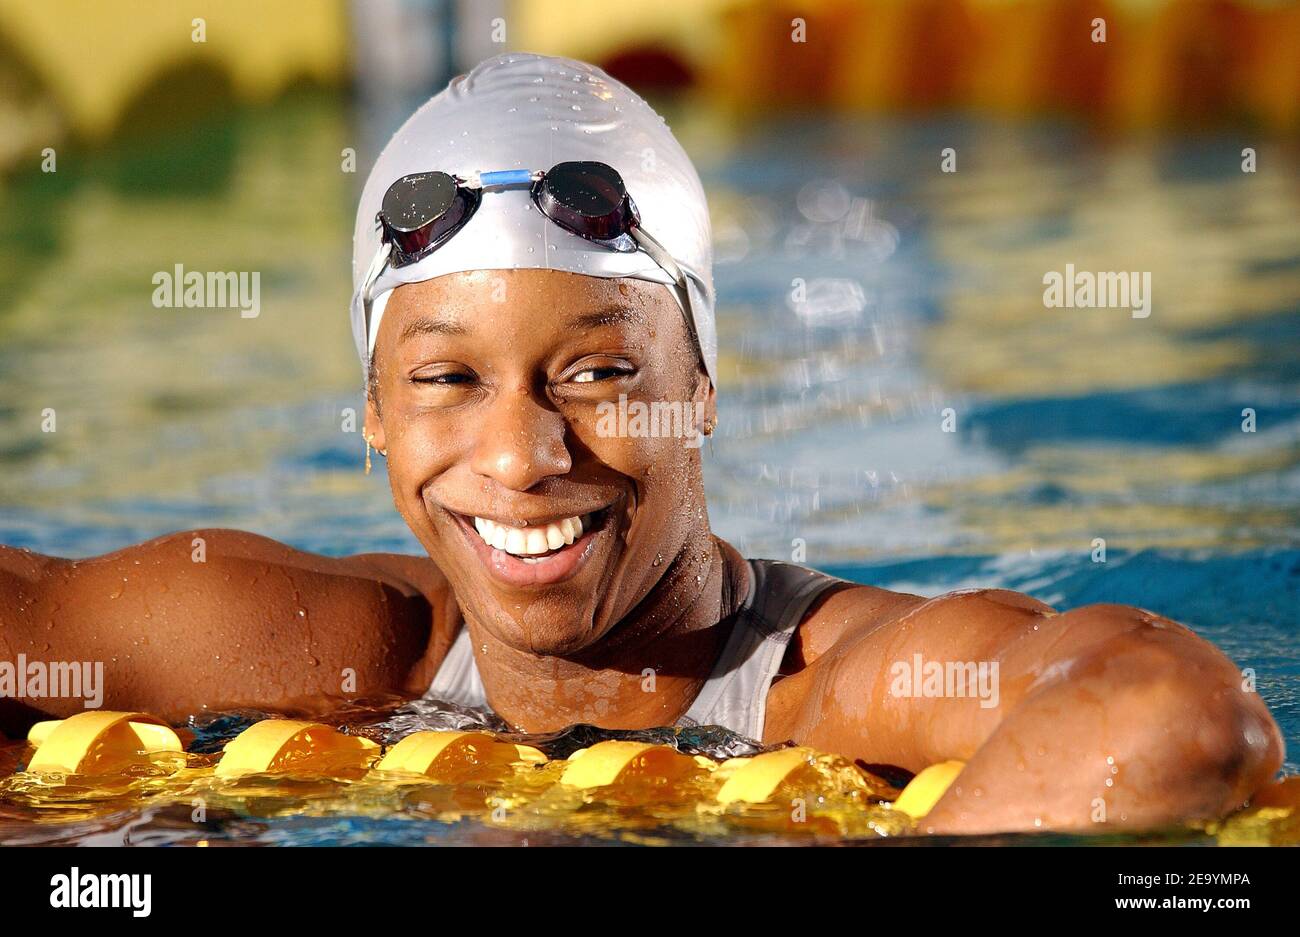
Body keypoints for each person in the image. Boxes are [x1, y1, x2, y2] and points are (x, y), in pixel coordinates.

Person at [0, 54, 1282, 834]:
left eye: (600, 371)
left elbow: (1174, 716)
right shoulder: (324, 649)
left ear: (704, 386)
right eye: (447, 379)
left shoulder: (822, 691)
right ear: (377, 414)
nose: (519, 455)